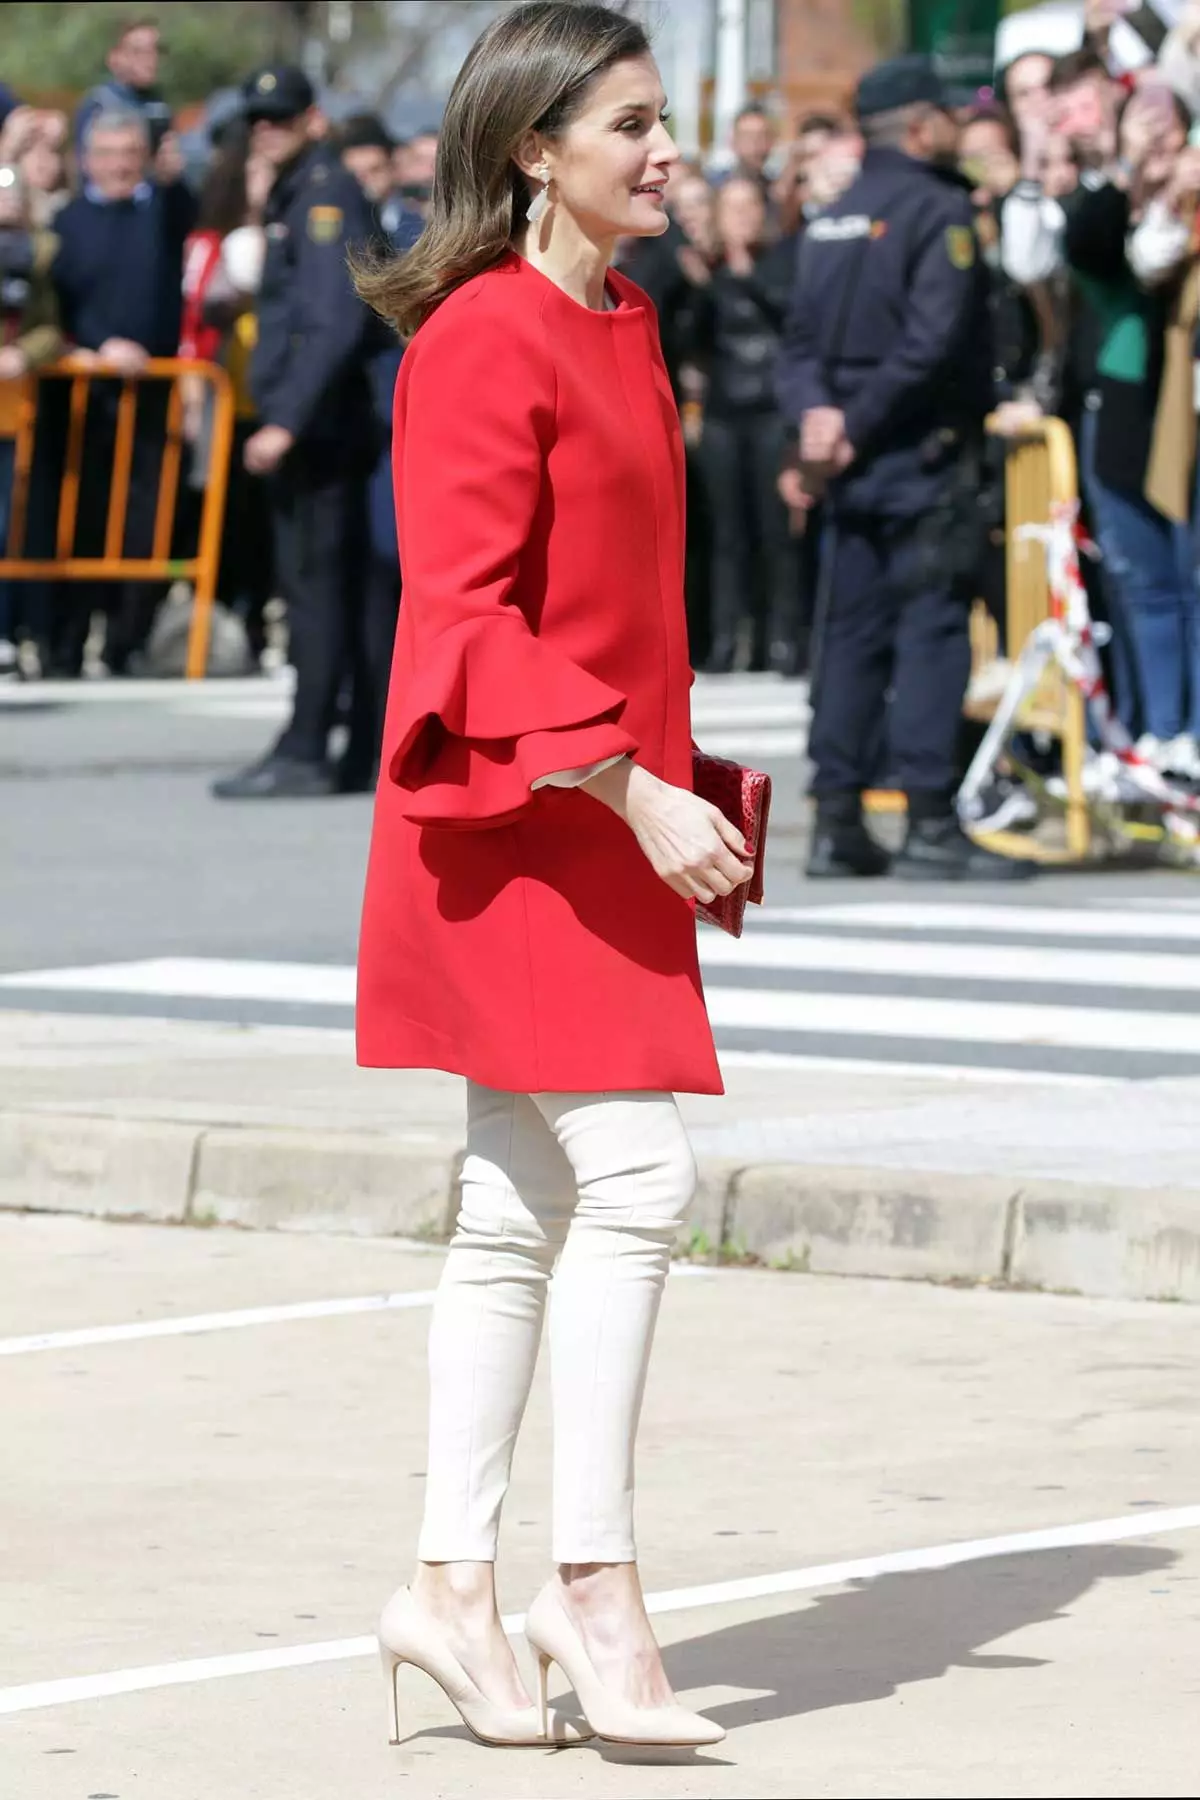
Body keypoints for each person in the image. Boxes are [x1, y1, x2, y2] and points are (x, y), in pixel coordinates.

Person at [354, 0, 744, 1753]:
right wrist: (630, 787)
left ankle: (447, 1588)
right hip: (521, 824)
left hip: (602, 818)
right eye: (633, 125)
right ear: (536, 148)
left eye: (664, 122)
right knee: (643, 1177)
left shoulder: (626, 317)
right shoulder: (485, 336)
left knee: (519, 1205)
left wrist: (671, 784)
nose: (668, 150)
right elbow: (460, 620)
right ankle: (589, 1584)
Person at [777, 54, 1032, 881]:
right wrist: (851, 424)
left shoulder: (833, 215)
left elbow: (801, 347)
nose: (962, 125)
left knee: (849, 638)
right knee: (929, 634)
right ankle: (928, 818)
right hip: (920, 456)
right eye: (950, 114)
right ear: (921, 128)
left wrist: (821, 422)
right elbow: (931, 342)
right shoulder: (938, 209)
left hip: (851, 465)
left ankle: (837, 818)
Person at [212, 67, 379, 799]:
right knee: (321, 590)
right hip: (315, 425)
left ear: (313, 119)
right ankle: (326, 740)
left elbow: (332, 320)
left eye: (279, 117)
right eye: (257, 118)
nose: (265, 128)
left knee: (316, 592)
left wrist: (285, 419)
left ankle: (312, 744)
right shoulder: (299, 190)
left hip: (322, 430)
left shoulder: (324, 197)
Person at [51, 107, 196, 674]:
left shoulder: (163, 209)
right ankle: (66, 642)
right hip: (84, 396)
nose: (118, 165)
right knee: (79, 518)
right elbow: (59, 303)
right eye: (107, 154)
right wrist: (99, 345)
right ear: (87, 158)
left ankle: (125, 641)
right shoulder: (67, 220)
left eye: (128, 154)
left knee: (146, 519)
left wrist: (171, 172)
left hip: (153, 392)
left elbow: (192, 211)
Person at [690, 176, 803, 674]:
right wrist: (706, 281)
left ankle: (782, 639)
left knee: (776, 533)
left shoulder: (784, 261)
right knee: (728, 534)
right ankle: (726, 640)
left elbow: (793, 321)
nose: (740, 216)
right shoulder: (704, 271)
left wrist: (745, 274)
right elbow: (690, 334)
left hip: (771, 411)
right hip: (723, 414)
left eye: (749, 206)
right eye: (730, 207)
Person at [0, 163, 62, 678]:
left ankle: (8, 632)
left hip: (14, 414)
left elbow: (50, 328)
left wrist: (24, 351)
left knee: (10, 526)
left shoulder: (37, 255)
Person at [73, 14, 177, 180]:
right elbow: (86, 173)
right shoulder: (99, 104)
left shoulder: (160, 106)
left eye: (156, 50)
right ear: (114, 58)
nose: (151, 60)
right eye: (139, 52)